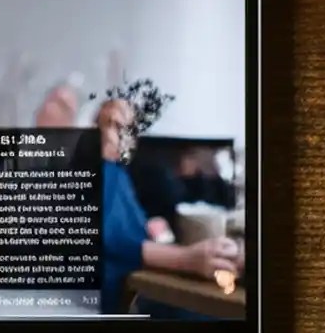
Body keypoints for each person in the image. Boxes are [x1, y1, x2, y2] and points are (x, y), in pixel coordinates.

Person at [93, 100, 241, 314]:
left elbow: (123, 225)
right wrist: (186, 258)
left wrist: (147, 226)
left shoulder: (118, 171)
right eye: (110, 124)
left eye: (126, 128)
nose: (117, 135)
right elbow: (109, 239)